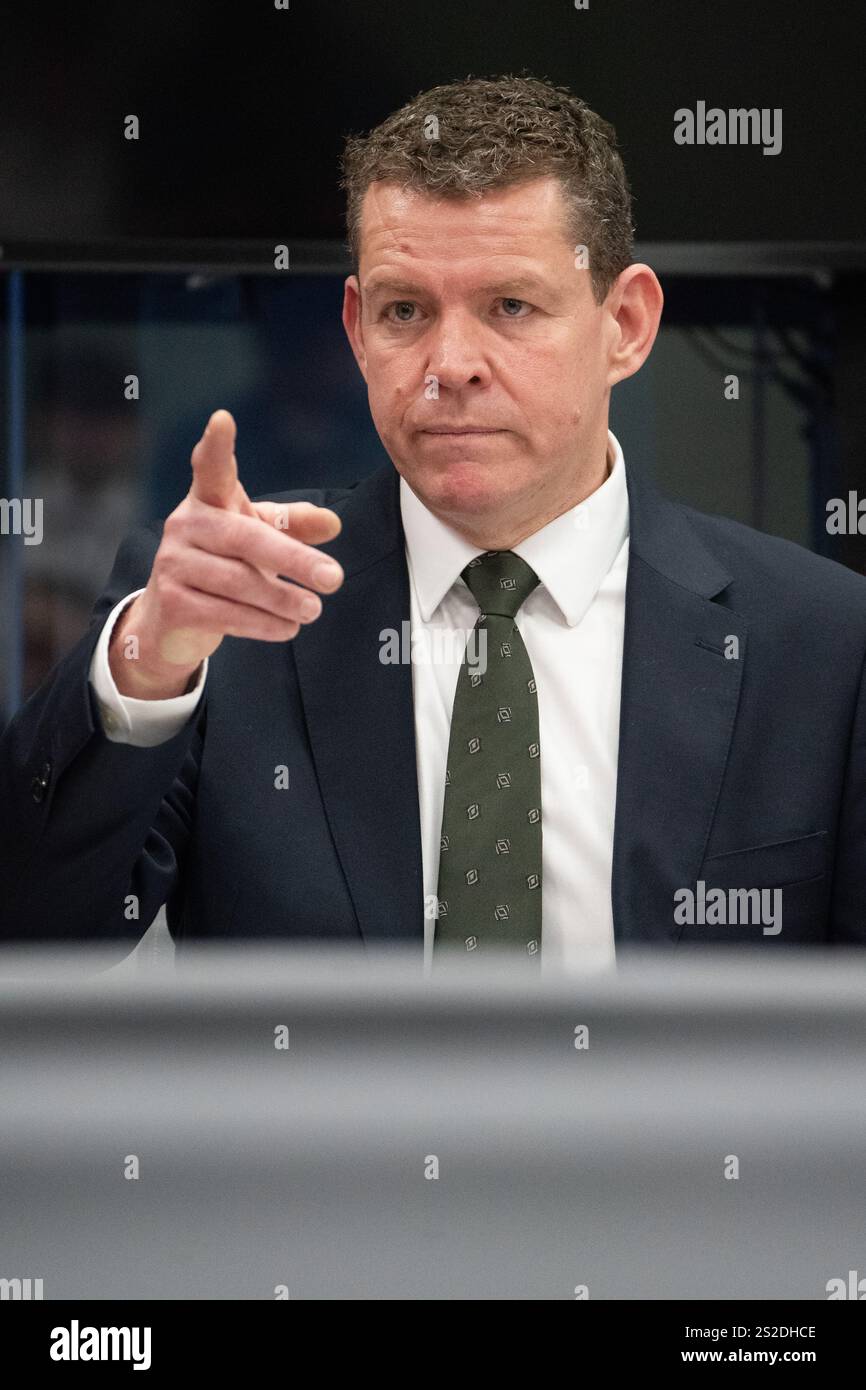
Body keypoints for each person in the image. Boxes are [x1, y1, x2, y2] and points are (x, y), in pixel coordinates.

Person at [2, 74, 865, 968]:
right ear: (355, 326)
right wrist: (147, 664)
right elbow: (31, 936)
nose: (450, 365)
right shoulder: (234, 607)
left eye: (511, 307)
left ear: (627, 324)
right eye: (405, 311)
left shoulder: (822, 643)